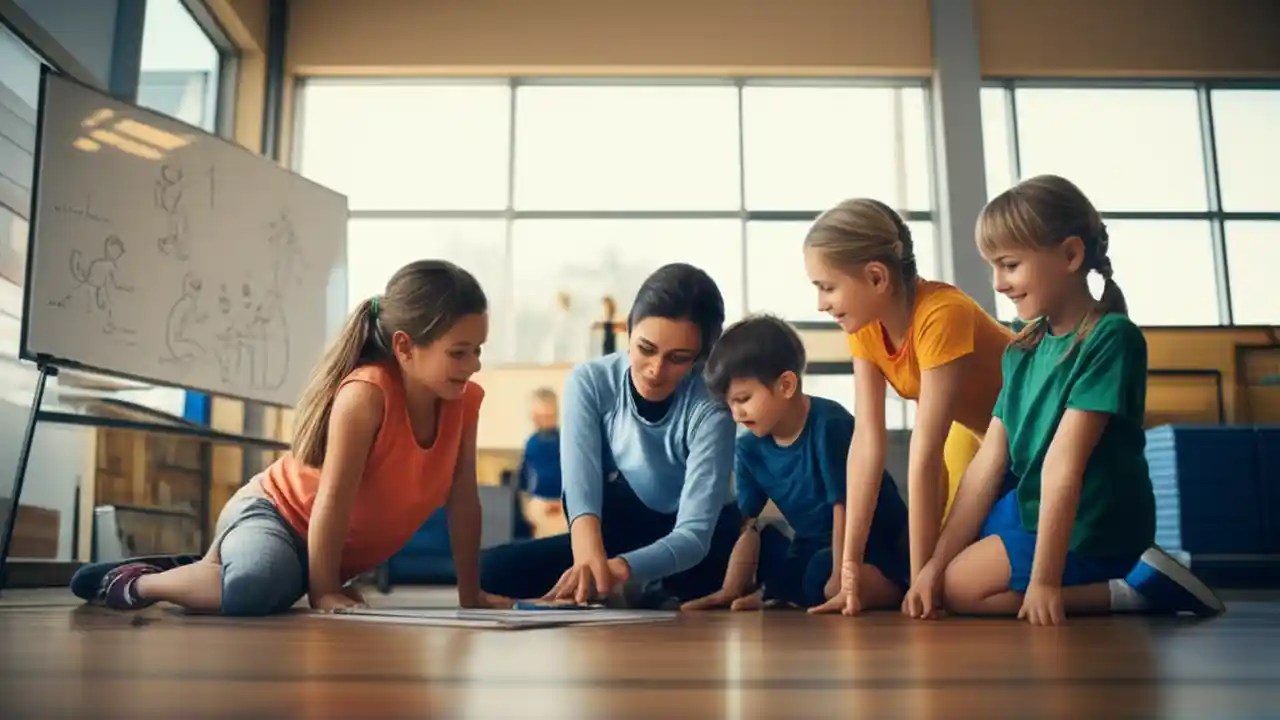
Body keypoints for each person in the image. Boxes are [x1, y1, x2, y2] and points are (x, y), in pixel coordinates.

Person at [69, 260, 511, 615]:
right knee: (256, 589)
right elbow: (331, 499)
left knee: (274, 581)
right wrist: (324, 592)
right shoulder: (367, 393)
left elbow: (463, 501)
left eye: (478, 350)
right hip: (274, 514)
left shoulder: (464, 401)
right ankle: (135, 581)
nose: (473, 364)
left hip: (319, 547)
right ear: (404, 347)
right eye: (458, 352)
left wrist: (470, 594)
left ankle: (206, 569)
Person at [901, 175, 1225, 624]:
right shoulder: (1022, 349)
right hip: (1032, 506)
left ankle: (1133, 591)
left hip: (1094, 520)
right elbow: (986, 467)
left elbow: (1064, 465)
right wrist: (931, 566)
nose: (997, 283)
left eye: (1010, 265)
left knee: (960, 590)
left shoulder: (1111, 338)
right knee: (946, 575)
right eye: (993, 267)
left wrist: (1045, 582)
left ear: (1071, 255)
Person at [480, 263, 740, 607]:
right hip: (620, 533)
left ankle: (642, 589)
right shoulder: (590, 382)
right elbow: (582, 489)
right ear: (629, 330)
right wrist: (589, 563)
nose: (655, 370)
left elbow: (693, 536)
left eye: (678, 358)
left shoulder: (712, 408)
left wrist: (616, 572)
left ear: (701, 357)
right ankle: (637, 591)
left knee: (696, 580)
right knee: (490, 570)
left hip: (698, 543)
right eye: (645, 348)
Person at [803, 198, 1013, 616]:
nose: (821, 304)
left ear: (876, 277)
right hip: (976, 441)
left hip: (1026, 444)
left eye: (827, 287)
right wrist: (848, 573)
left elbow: (926, 452)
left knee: (949, 579)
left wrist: (922, 583)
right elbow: (866, 443)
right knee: (935, 568)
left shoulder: (942, 314)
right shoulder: (866, 327)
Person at [682, 315, 909, 612]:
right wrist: (728, 590)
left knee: (821, 575)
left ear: (786, 385)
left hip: (870, 543)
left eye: (744, 399)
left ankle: (895, 588)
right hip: (812, 544)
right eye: (730, 404)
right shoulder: (749, 447)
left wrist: (842, 577)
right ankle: (778, 593)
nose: (736, 414)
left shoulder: (830, 426)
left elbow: (845, 507)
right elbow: (749, 524)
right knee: (775, 555)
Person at [518, 387, 567, 538]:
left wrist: (563, 502)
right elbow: (524, 477)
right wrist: (527, 504)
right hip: (539, 502)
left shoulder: (566, 440)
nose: (542, 420)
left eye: (548, 416)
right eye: (538, 416)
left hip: (563, 503)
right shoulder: (531, 443)